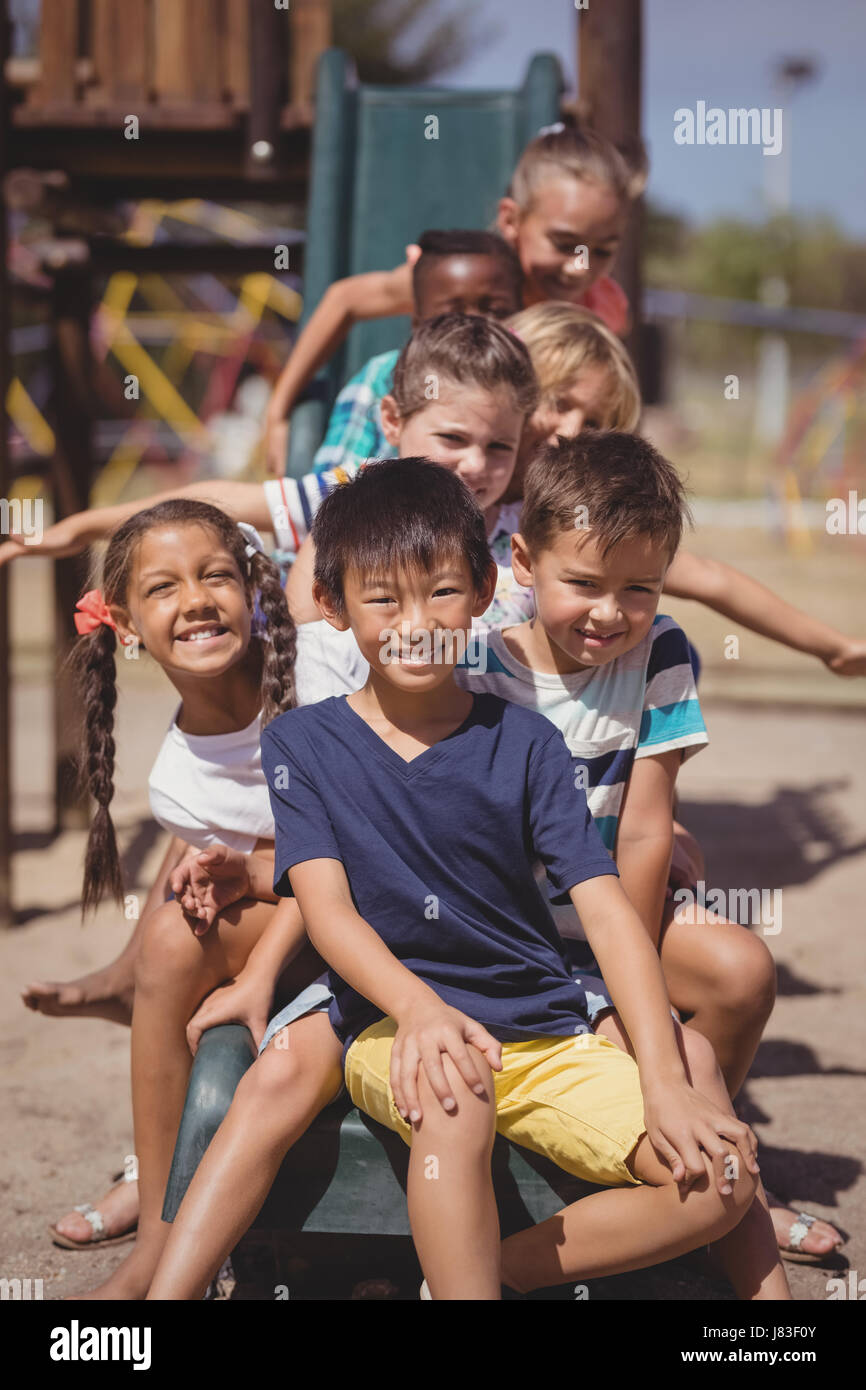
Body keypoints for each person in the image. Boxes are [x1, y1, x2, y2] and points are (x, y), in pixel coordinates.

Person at [254, 457, 788, 1300]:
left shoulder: (529, 740)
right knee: (452, 1093)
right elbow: (330, 913)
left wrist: (660, 1077)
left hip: (543, 1019)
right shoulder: (304, 742)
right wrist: (423, 1010)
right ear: (334, 607)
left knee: (719, 1178)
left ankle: (470, 1278)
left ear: (479, 590)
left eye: (439, 594)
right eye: (383, 599)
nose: (416, 623)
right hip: (407, 1019)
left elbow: (610, 904)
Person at [43, 499, 323, 1292]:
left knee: (179, 929)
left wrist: (261, 940)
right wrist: (226, 878)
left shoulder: (320, 675)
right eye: (163, 588)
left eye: (215, 577)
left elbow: (352, 856)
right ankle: (161, 1235)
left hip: (383, 914)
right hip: (305, 920)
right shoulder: (179, 784)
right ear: (127, 626)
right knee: (170, 933)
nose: (196, 600)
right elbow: (283, 872)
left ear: (251, 588)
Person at [261, 122, 645, 471]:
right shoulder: (466, 282)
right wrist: (278, 411)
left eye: (604, 250)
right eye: (564, 243)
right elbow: (344, 299)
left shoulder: (603, 310)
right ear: (511, 220)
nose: (581, 267)